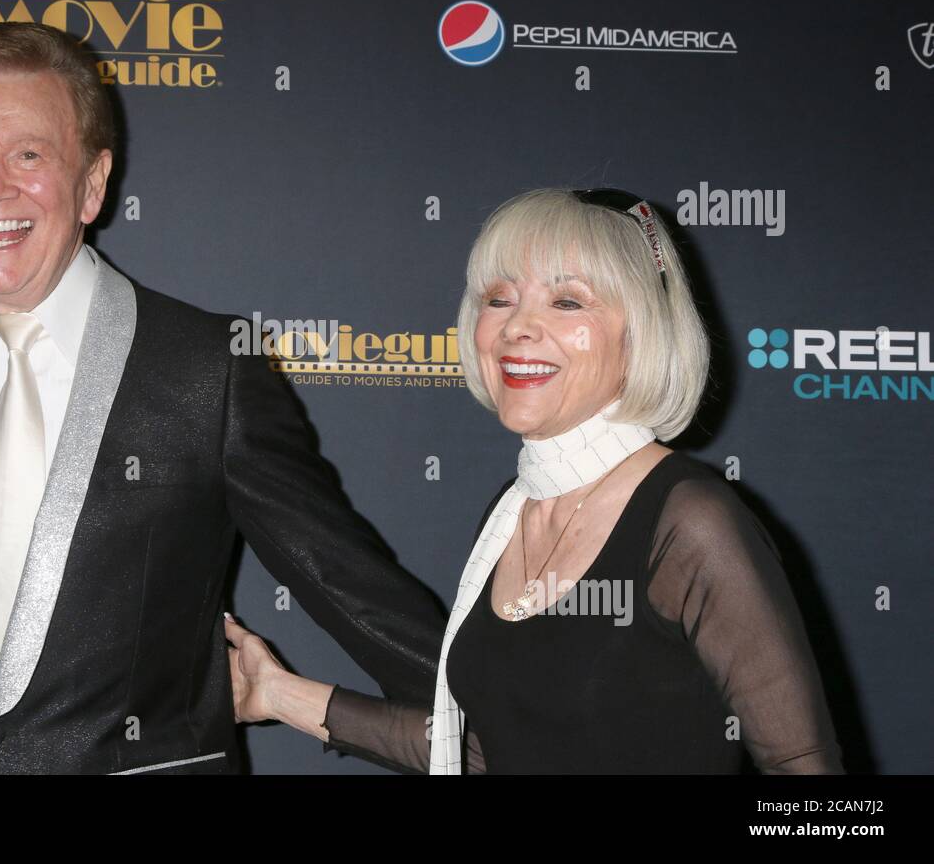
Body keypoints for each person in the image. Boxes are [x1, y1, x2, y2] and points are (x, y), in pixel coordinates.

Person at [0, 22, 446, 774]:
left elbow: (354, 590)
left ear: (92, 183)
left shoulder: (207, 371)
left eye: (29, 155)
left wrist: (501, 716)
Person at [225, 187, 845, 774]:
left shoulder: (689, 521)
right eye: (499, 298)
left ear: (639, 337)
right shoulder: (514, 510)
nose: (517, 326)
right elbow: (489, 751)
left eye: (568, 301)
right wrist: (279, 696)